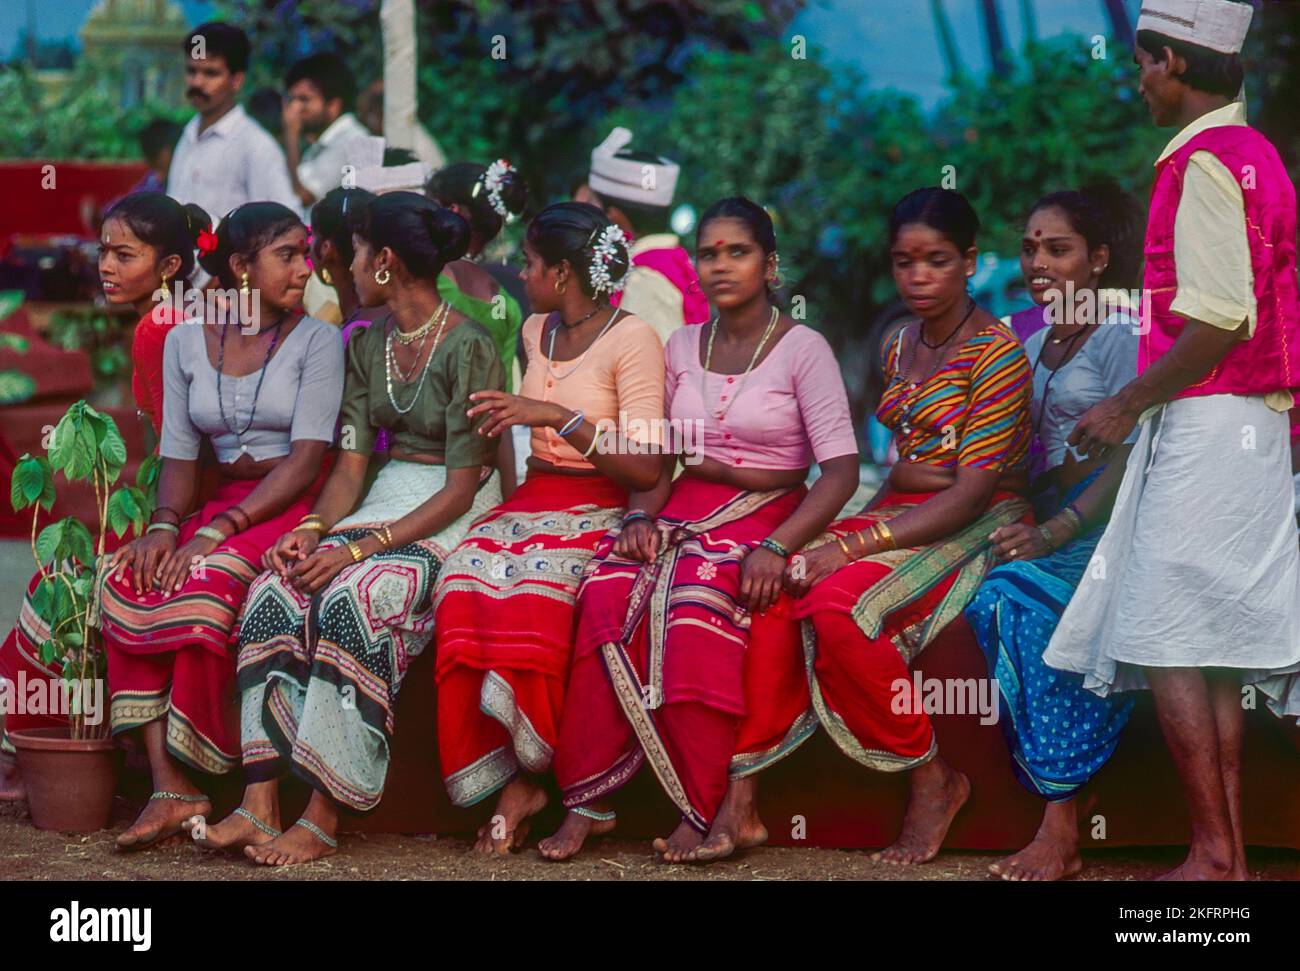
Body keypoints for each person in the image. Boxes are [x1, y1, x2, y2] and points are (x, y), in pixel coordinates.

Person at [1043, 0, 1300, 882]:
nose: (1139, 78)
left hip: (1211, 416)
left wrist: (1125, 403)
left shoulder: (1201, 164)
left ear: (1173, 64)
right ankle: (1221, 851)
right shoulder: (1257, 153)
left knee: (1165, 633)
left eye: (1144, 62)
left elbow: (1222, 316)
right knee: (1204, 639)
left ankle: (1214, 851)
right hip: (1252, 424)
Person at [190, 195, 504, 865]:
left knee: (352, 597)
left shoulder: (470, 345)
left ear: (384, 261)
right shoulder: (369, 343)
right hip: (386, 497)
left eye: (354, 251)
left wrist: (360, 550)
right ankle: (258, 801)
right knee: (276, 587)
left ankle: (324, 812)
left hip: (457, 505)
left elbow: (457, 486)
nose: (339, 263)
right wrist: (313, 526)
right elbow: (352, 466)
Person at [543, 197, 859, 863]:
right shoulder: (682, 344)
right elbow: (656, 462)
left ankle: (713, 804)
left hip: (773, 509)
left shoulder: (804, 349)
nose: (719, 264)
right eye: (709, 252)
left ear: (770, 265)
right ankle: (588, 799)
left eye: (737, 251)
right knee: (606, 587)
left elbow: (841, 471)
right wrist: (637, 515)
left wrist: (778, 546)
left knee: (695, 604)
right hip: (684, 502)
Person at [788, 188, 1033, 867]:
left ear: (972, 262)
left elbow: (971, 490)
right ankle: (749, 791)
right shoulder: (899, 343)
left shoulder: (997, 355)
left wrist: (854, 542)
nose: (918, 277)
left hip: (974, 514)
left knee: (841, 603)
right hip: (895, 503)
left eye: (937, 261)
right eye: (904, 262)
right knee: (782, 581)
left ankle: (934, 776)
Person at [98, 202, 344, 851]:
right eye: (287, 254)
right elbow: (180, 454)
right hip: (216, 507)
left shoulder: (317, 339)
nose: (304, 268)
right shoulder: (184, 339)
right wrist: (164, 526)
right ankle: (169, 782)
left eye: (305, 252)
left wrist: (216, 532)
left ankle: (208, 766)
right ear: (240, 266)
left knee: (206, 581)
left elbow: (306, 461)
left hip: (286, 505)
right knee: (132, 575)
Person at [432, 202, 664, 852]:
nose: (521, 273)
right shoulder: (535, 329)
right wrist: (510, 511)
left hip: (603, 501)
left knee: (538, 584)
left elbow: (647, 463)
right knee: (461, 573)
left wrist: (558, 414)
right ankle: (508, 770)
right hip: (535, 497)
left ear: (563, 272)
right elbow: (512, 432)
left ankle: (538, 778)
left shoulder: (633, 337)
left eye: (531, 263)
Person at [0, 192, 209, 802]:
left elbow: (180, 451)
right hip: (182, 501)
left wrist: (162, 527)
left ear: (169, 266)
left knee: (57, 589)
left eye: (125, 254)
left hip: (189, 506)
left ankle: (34, 753)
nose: (106, 267)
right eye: (103, 253)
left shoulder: (158, 330)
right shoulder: (184, 314)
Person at [964, 185, 1146, 881]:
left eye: (1058, 247)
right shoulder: (1032, 338)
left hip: (1114, 523)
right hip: (1048, 518)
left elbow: (1136, 454)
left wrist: (1059, 526)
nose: (1037, 259)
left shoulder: (1122, 334)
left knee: (1020, 601)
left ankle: (1061, 820)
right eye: (1030, 246)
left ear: (1099, 259)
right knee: (984, 592)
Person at [576, 127, 709, 344]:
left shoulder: (645, 280)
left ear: (614, 216)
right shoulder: (669, 261)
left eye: (593, 204)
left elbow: (654, 368)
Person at [166, 23, 298, 220]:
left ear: (237, 80)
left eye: (210, 73)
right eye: (192, 71)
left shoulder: (256, 146)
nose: (197, 82)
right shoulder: (188, 136)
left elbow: (285, 222)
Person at [427, 160, 530, 388]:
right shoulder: (504, 299)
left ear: (451, 211)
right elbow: (505, 391)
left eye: (430, 206)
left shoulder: (429, 283)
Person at [282, 52, 372, 212]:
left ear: (333, 106)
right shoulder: (322, 144)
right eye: (292, 99)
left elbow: (301, 197)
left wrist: (291, 136)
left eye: (304, 100)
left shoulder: (350, 142)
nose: (294, 109)